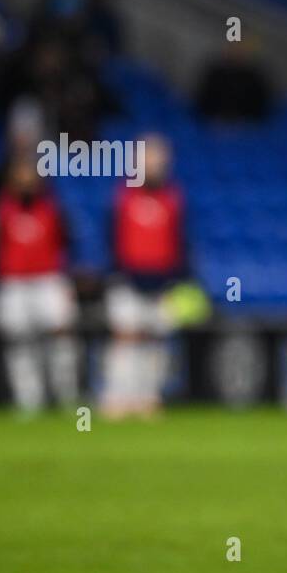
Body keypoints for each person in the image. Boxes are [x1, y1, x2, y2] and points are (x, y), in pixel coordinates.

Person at [101, 134, 185, 418]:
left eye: (158, 159)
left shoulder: (174, 199)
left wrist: (179, 279)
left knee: (156, 343)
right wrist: (117, 275)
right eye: (148, 159)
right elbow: (111, 240)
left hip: (162, 283)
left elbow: (181, 243)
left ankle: (149, 398)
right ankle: (116, 398)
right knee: (125, 340)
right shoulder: (123, 197)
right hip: (127, 281)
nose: (153, 165)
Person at [0, 157, 78, 412]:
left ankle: (67, 397)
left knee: (61, 337)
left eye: (31, 179)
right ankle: (28, 401)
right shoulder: (2, 210)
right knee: (19, 341)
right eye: (21, 180)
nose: (26, 184)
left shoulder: (53, 209)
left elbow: (66, 242)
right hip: (14, 282)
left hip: (48, 279)